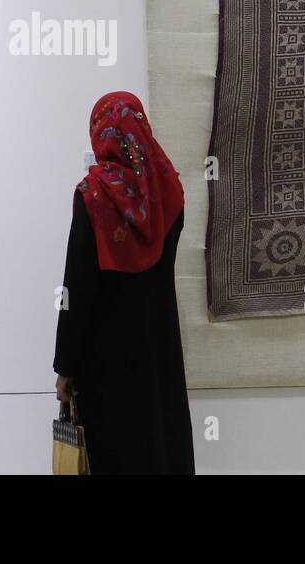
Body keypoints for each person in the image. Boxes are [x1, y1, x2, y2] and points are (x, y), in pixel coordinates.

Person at [52, 91, 195, 474]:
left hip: (106, 361)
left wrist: (65, 366)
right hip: (160, 351)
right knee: (161, 445)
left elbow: (76, 290)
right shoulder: (169, 193)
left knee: (115, 452)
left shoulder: (93, 196)